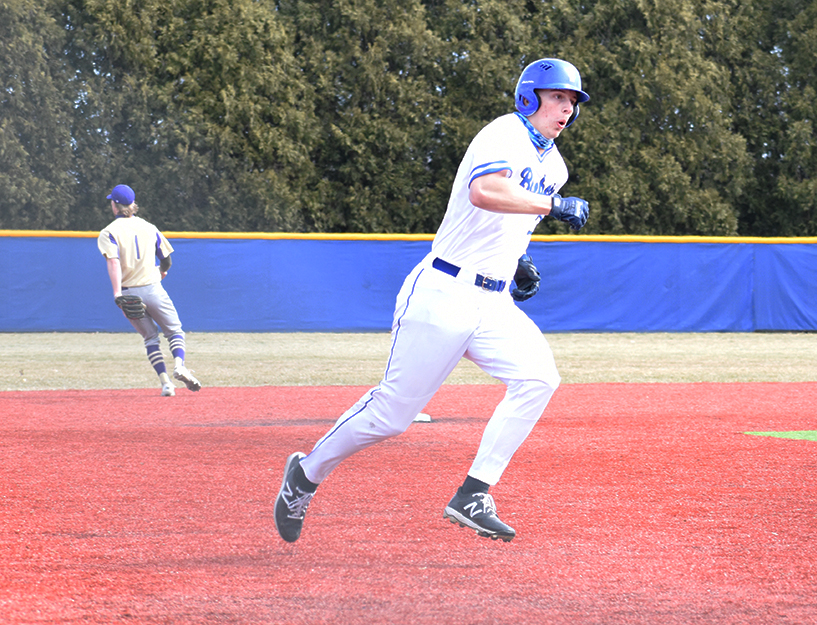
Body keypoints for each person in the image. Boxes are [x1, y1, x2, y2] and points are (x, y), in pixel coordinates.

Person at [273, 58, 592, 543]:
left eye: (572, 101)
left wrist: (520, 260)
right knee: (391, 417)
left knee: (539, 378)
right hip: (443, 292)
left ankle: (474, 492)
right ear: (530, 98)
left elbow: (512, 222)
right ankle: (306, 472)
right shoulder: (503, 132)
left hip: (493, 301)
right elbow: (485, 191)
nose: (566, 107)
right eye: (556, 97)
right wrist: (553, 206)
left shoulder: (557, 166)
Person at [97, 184, 203, 397]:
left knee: (150, 338)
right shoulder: (149, 227)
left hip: (129, 293)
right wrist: (162, 272)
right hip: (153, 288)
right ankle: (180, 366)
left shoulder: (109, 232)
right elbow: (166, 259)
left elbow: (114, 263)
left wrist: (117, 293)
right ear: (132, 205)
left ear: (115, 205)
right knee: (174, 331)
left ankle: (165, 383)